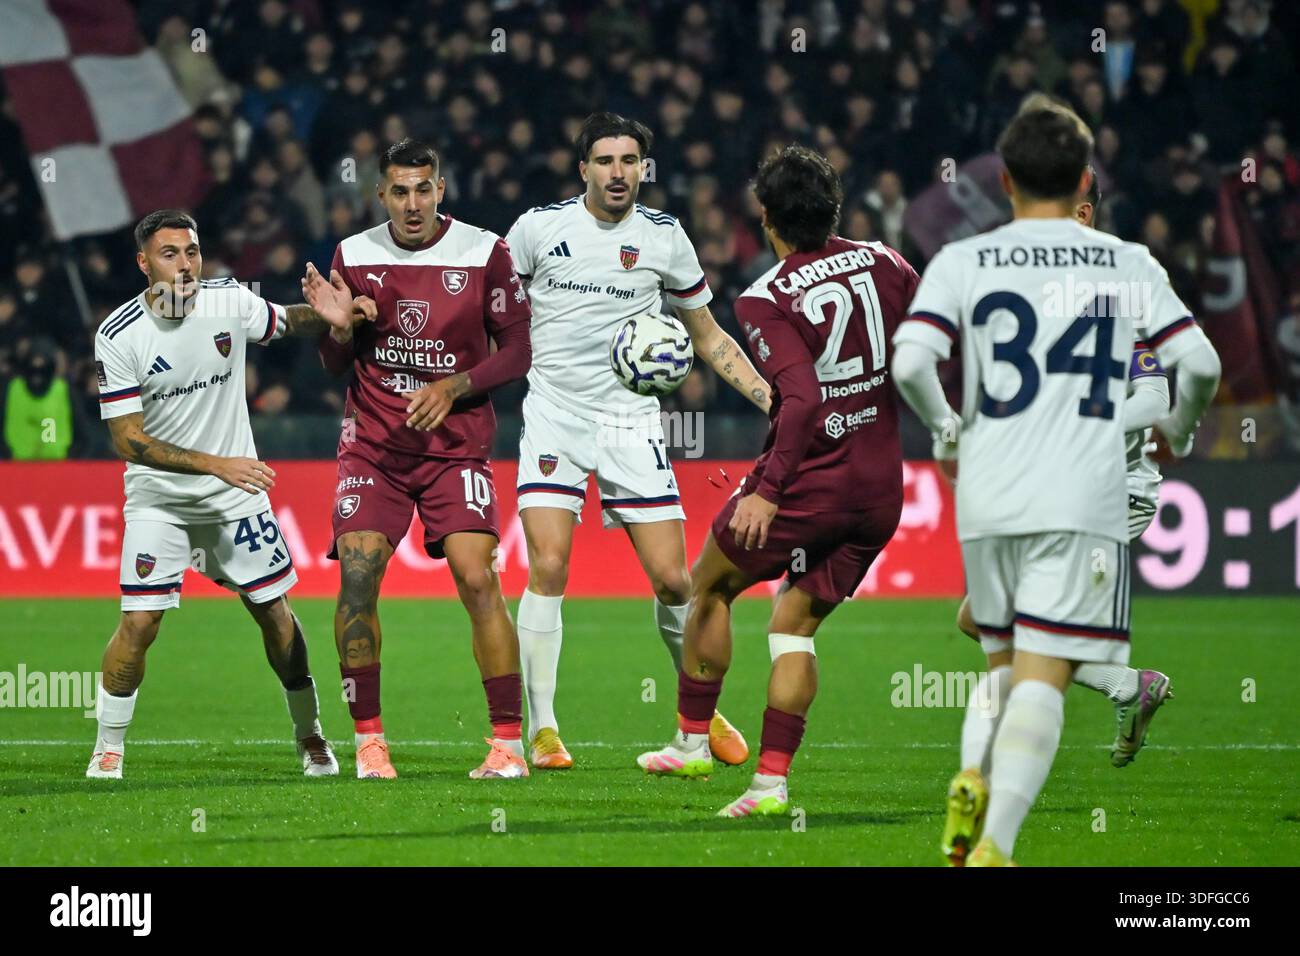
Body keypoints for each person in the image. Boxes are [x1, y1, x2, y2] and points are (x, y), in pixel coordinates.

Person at [892, 102, 1222, 865]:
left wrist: (947, 432)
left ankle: (971, 772)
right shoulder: (1126, 265)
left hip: (992, 487)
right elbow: (1198, 366)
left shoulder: (964, 261)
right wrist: (1176, 429)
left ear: (1003, 181)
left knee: (1000, 654)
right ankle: (997, 844)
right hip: (1082, 491)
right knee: (1041, 667)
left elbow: (910, 364)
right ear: (1083, 181)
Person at [637, 145, 916, 817]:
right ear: (834, 208)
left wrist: (767, 489)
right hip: (879, 490)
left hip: (807, 486)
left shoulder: (765, 298)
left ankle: (693, 741)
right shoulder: (889, 262)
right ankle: (769, 784)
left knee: (706, 586)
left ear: (766, 218)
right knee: (793, 627)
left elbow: (802, 399)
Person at [503, 112, 770, 769]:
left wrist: (773, 398)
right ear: (583, 168)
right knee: (549, 566)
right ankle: (544, 730)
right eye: (605, 160)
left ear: (644, 169)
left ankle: (698, 716)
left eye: (630, 161)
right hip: (556, 416)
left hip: (630, 421)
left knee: (676, 581)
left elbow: (707, 337)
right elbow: (491, 313)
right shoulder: (538, 230)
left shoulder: (666, 238)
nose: (618, 172)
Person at [87, 209, 369, 779]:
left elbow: (283, 322)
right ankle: (108, 744)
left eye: (192, 251)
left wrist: (330, 315)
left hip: (234, 497)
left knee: (275, 615)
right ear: (144, 264)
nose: (186, 265)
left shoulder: (228, 299)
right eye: (170, 254)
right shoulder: (118, 336)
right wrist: (216, 464)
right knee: (140, 623)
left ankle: (310, 735)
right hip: (161, 500)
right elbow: (129, 441)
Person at [311, 138, 533, 780]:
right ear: (380, 194)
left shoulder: (484, 252)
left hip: (455, 447)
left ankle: (506, 746)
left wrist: (454, 386)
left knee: (477, 577)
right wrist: (342, 326)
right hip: (373, 448)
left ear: (442, 190)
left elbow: (518, 349)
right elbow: (334, 363)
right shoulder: (354, 255)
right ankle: (369, 742)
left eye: (424, 189)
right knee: (356, 578)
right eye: (399, 191)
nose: (412, 204)